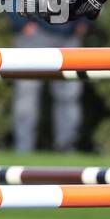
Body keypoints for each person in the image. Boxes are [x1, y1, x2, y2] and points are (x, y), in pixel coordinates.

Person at [10, 11, 88, 153]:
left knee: (70, 96)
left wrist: (84, 21)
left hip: (69, 34)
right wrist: (20, 23)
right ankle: (23, 149)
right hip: (34, 33)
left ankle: (67, 148)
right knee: (26, 95)